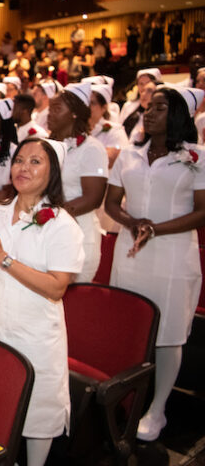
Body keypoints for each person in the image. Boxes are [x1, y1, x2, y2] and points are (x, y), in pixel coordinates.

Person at [0, 137, 84, 466]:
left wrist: (3, 259)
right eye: (19, 160)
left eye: (35, 162)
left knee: (37, 412)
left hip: (36, 334)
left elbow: (56, 287)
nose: (23, 168)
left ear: (53, 172)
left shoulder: (61, 224)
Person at [106, 85, 205, 442]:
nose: (148, 113)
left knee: (168, 333)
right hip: (130, 250)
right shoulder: (130, 155)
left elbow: (202, 211)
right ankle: (125, 399)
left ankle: (157, 409)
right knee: (128, 327)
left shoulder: (197, 157)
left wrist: (155, 229)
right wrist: (132, 222)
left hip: (172, 253)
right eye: (148, 107)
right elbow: (111, 202)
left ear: (178, 115)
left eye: (159, 108)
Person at [48, 83, 108, 282]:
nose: (49, 114)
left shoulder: (92, 149)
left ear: (74, 113)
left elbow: (93, 198)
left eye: (57, 109)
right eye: (50, 108)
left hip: (78, 232)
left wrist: (49, 214)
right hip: (44, 231)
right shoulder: (45, 146)